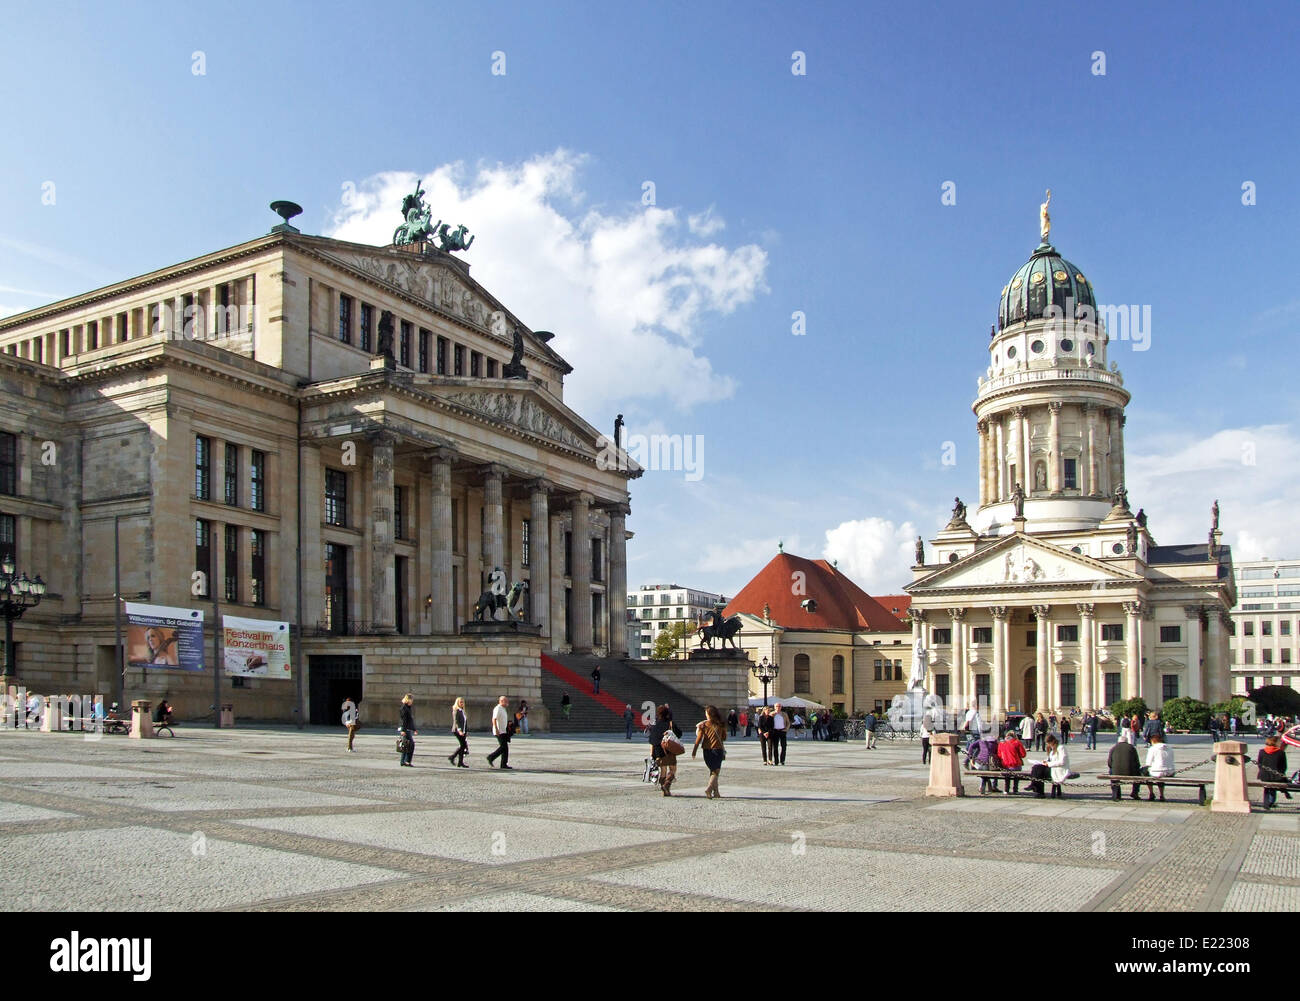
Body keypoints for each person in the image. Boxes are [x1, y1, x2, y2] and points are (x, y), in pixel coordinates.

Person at [692, 705, 728, 799]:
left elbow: (698, 739)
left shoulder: (703, 725)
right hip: (717, 750)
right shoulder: (720, 724)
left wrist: (694, 751)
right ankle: (709, 789)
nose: (706, 715)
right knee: (716, 772)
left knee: (713, 771)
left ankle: (716, 793)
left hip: (706, 751)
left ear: (710, 714)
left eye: (706, 714)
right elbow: (724, 737)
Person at [648, 704, 683, 795]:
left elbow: (651, 739)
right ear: (667, 714)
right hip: (668, 749)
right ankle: (666, 786)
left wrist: (652, 753)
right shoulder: (670, 723)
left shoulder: (654, 724)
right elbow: (679, 734)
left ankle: (664, 791)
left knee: (663, 770)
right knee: (672, 769)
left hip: (657, 751)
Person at [1028, 734, 1070, 798]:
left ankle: (1036, 787)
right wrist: (1045, 761)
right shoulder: (1052, 750)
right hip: (1052, 767)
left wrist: (1049, 764)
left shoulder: (1061, 748)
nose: (1048, 745)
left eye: (1048, 743)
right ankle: (1035, 786)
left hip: (1059, 768)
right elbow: (1050, 759)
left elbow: (1062, 761)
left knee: (1039, 770)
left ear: (1052, 741)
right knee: (1036, 767)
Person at [1256, 735, 1290, 810]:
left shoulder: (1261, 752)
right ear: (1275, 743)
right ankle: (1271, 802)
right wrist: (1281, 773)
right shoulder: (1281, 752)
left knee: (1266, 788)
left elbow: (1259, 764)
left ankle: (1266, 803)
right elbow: (1284, 766)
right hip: (1276, 775)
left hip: (1264, 775)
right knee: (1273, 788)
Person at [1141, 732, 1175, 800]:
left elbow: (1148, 763)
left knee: (1144, 771)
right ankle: (1161, 795)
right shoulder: (1170, 748)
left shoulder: (1152, 749)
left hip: (1157, 771)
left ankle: (1151, 793)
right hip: (1170, 771)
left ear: (1153, 741)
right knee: (1160, 773)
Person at [1107, 735, 1142, 800]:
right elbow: (1137, 762)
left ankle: (1116, 794)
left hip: (1116, 772)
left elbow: (1109, 763)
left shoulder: (1113, 748)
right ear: (1127, 741)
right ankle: (1135, 792)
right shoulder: (1132, 748)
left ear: (1118, 741)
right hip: (1130, 772)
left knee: (1111, 772)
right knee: (1138, 773)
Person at [486, 695, 513, 769]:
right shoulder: (497, 708)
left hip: (503, 730)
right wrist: (496, 729)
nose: (507, 702)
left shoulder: (503, 709)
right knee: (503, 747)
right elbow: (494, 719)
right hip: (499, 731)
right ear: (501, 701)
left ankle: (503, 764)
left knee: (505, 748)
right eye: (506, 701)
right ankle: (491, 757)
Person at [997, 729, 1027, 794]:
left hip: (1005, 765)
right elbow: (1023, 754)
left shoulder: (1001, 743)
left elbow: (999, 755)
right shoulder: (1017, 742)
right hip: (1016, 764)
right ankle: (1015, 789)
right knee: (1016, 775)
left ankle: (1006, 789)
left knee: (1007, 777)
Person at [447, 697, 469, 767]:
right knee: (463, 745)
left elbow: (465, 722)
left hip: (463, 731)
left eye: (463, 702)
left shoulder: (462, 711)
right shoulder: (456, 710)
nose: (462, 703)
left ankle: (459, 762)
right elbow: (456, 722)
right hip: (457, 730)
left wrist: (466, 731)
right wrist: (459, 730)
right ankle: (453, 757)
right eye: (460, 702)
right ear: (457, 703)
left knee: (462, 746)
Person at [398, 693, 417, 768]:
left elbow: (409, 720)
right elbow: (404, 720)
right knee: (410, 745)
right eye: (411, 700)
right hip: (405, 729)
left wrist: (414, 729)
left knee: (406, 745)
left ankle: (403, 761)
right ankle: (406, 761)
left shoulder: (408, 707)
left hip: (407, 728)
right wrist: (403, 730)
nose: (412, 701)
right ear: (408, 700)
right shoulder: (404, 708)